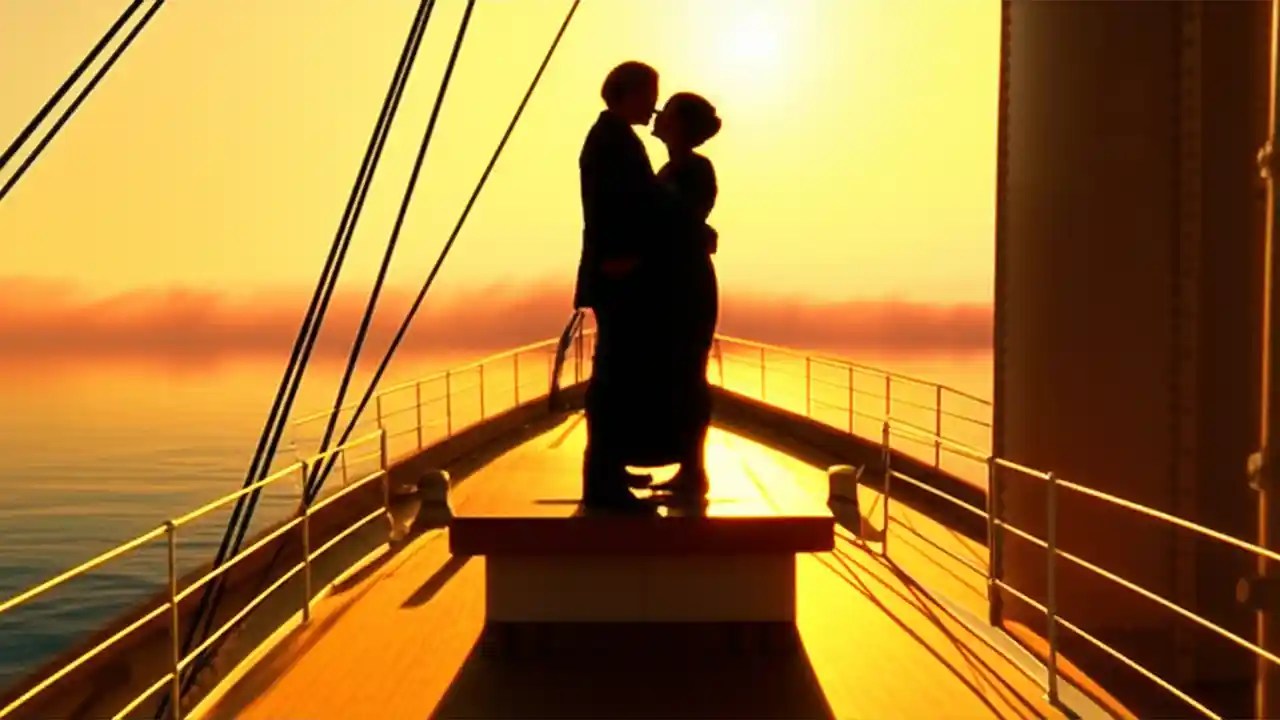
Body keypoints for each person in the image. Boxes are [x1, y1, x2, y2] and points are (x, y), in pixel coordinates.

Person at [643, 92, 722, 502]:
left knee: (689, 377)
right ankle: (686, 467)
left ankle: (695, 472)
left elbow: (680, 218)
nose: (658, 115)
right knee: (677, 378)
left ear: (680, 125)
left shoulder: (694, 169)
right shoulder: (672, 168)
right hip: (673, 282)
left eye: (667, 111)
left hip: (687, 286)